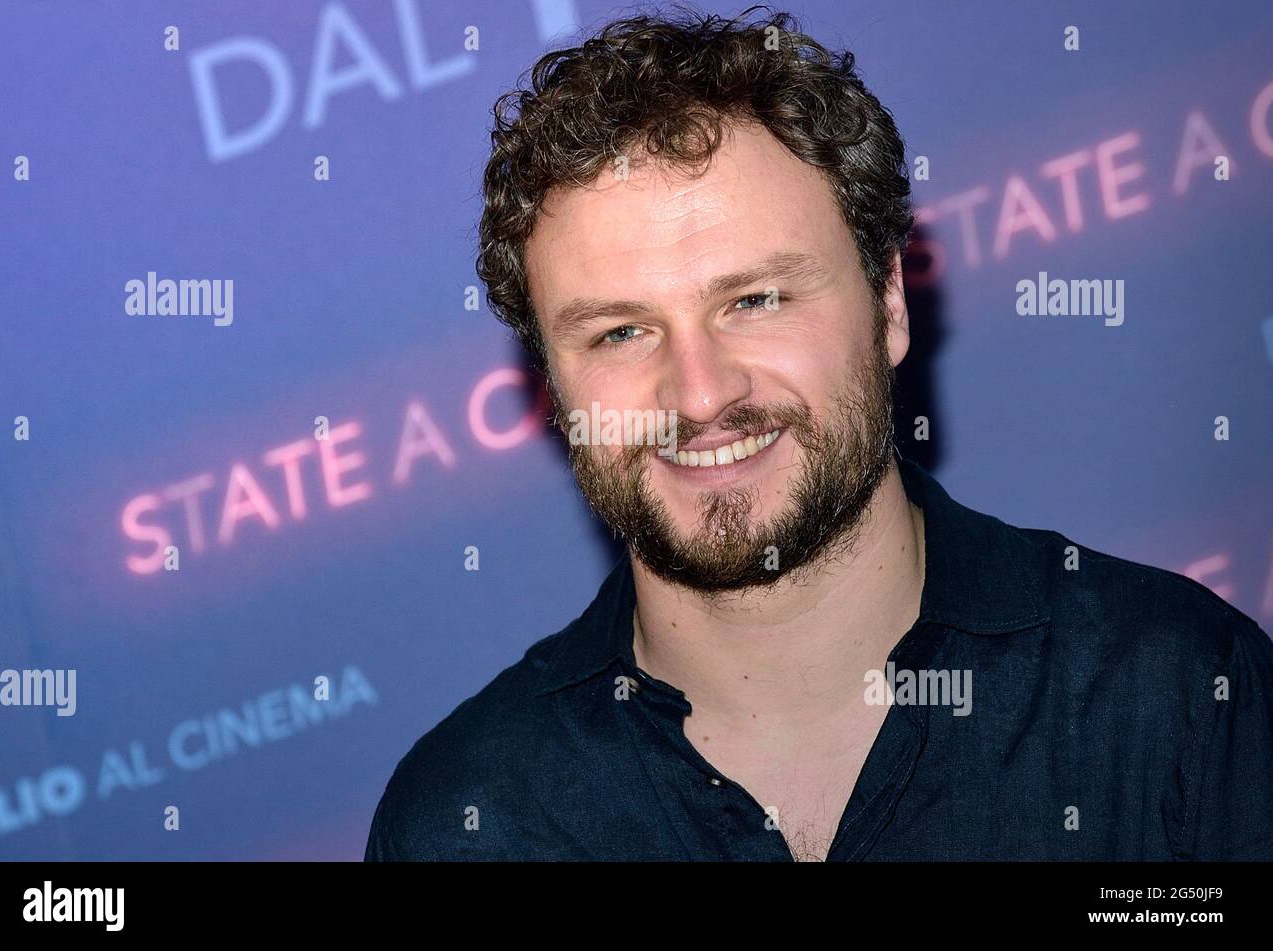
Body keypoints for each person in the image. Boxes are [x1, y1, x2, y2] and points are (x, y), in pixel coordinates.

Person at [365, 6, 1273, 861]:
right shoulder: (470, 820)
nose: (701, 392)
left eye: (754, 300)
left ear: (887, 304)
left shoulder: (1185, 701)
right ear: (551, 385)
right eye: (621, 331)